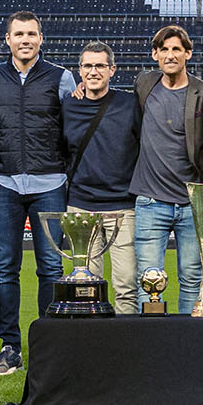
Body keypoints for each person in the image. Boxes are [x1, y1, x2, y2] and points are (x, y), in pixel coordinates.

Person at [0, 10, 76, 375]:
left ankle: (47, 343)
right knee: (6, 268)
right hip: (4, 183)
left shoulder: (60, 77)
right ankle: (9, 348)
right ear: (8, 39)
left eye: (31, 34)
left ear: (41, 38)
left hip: (50, 182)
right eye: (18, 34)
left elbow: (72, 122)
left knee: (51, 267)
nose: (25, 39)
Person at [129, 25, 203, 314]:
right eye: (163, 49)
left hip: (192, 203)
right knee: (148, 280)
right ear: (155, 54)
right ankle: (151, 346)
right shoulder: (144, 84)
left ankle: (186, 347)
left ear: (188, 54)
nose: (170, 55)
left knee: (192, 278)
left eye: (176, 49)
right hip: (150, 202)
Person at [61, 42, 140, 313]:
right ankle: (92, 350)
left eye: (100, 66)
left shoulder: (130, 104)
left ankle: (127, 350)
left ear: (112, 70)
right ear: (79, 70)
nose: (93, 71)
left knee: (126, 286)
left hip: (123, 207)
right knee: (85, 289)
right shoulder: (68, 105)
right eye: (87, 66)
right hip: (81, 207)